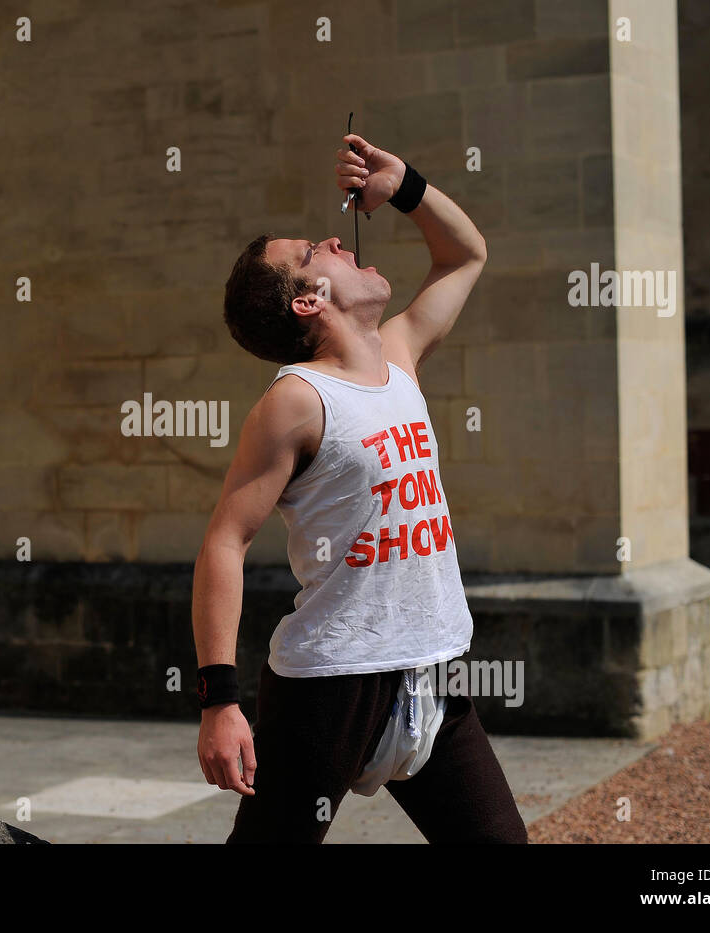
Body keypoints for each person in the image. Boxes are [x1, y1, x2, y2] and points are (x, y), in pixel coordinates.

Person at [192, 134, 527, 844]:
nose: (332, 241)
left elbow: (467, 254)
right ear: (309, 300)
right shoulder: (297, 401)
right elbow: (226, 538)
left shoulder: (399, 356)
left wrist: (403, 185)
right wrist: (219, 700)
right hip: (332, 684)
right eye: (312, 253)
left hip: (433, 668)